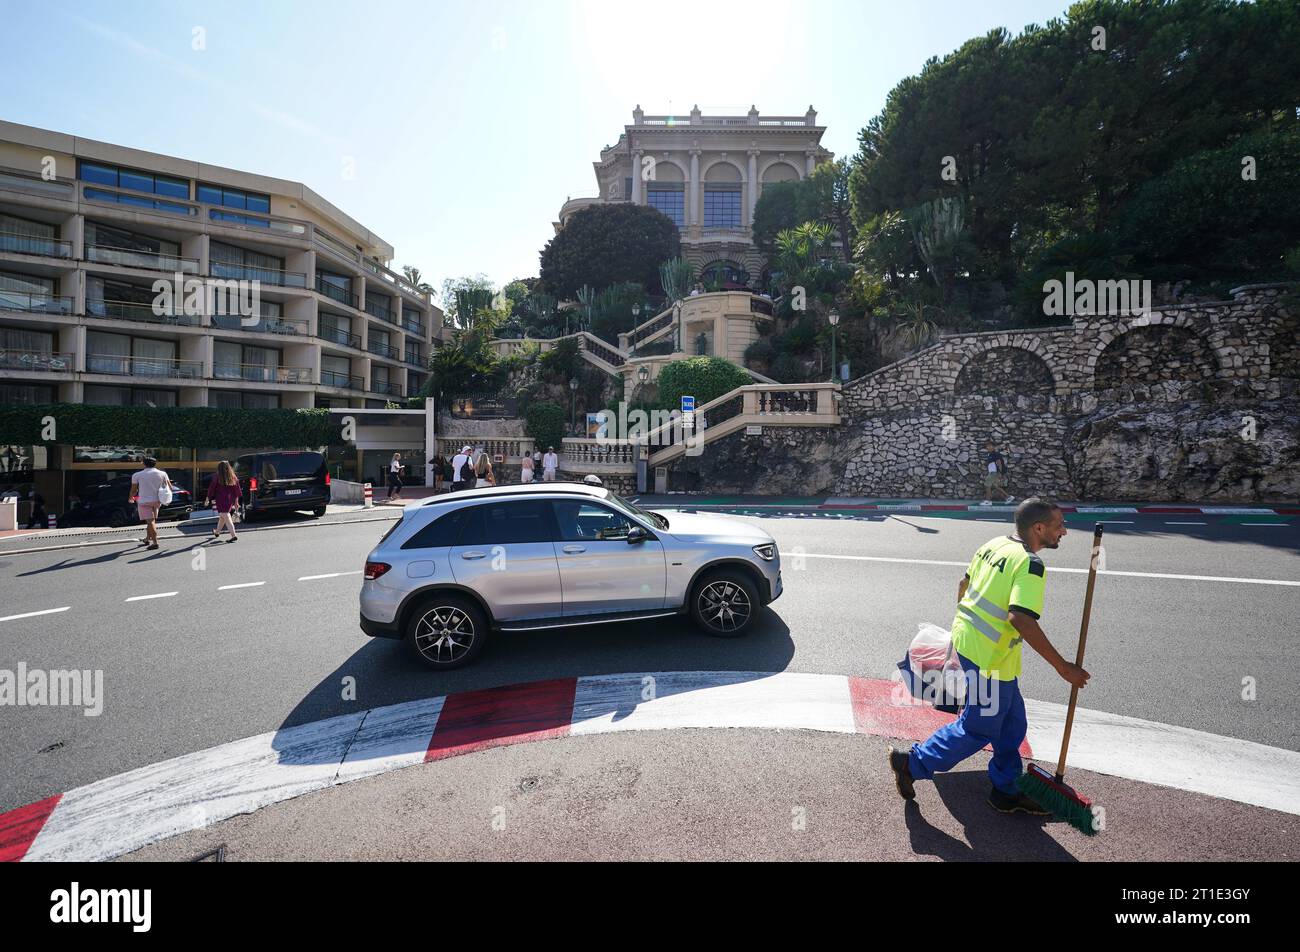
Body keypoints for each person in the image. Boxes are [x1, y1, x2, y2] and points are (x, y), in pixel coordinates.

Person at [887, 498, 1091, 815]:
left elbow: (963, 584)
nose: (1064, 531)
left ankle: (1006, 790)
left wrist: (963, 628)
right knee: (978, 728)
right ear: (1039, 528)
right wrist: (1063, 668)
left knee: (1012, 722)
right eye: (1058, 525)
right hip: (989, 661)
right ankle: (912, 763)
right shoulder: (1029, 564)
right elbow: (1020, 619)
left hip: (978, 649)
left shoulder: (995, 543)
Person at [130, 456, 175, 550]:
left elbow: (134, 490)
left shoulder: (137, 475)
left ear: (144, 464)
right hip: (157, 501)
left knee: (150, 521)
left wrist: (130, 498)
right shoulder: (163, 473)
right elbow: (170, 487)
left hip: (144, 501)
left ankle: (155, 542)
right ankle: (147, 538)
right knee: (151, 521)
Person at [205, 460, 241, 544]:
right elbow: (237, 491)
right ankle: (217, 532)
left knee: (226, 515)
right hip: (229, 499)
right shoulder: (233, 476)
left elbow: (211, 488)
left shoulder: (217, 476)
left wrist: (207, 498)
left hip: (220, 499)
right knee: (222, 516)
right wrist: (236, 502)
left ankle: (233, 535)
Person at [981, 441, 1015, 506]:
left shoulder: (996, 454)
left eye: (990, 446)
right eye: (987, 446)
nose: (988, 447)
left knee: (987, 485)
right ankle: (1008, 497)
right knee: (995, 486)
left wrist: (1000, 473)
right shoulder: (990, 454)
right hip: (992, 472)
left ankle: (988, 501)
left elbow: (999, 464)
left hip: (994, 473)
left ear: (994, 447)